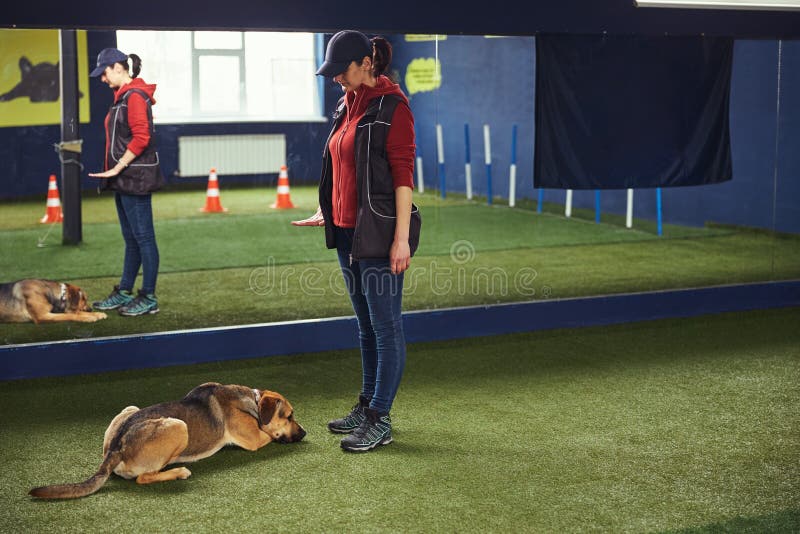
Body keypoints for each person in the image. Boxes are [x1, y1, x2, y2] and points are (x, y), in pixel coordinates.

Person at [294, 30, 421, 452]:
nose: (335, 79)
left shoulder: (394, 107)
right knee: (365, 328)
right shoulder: (345, 105)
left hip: (381, 235)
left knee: (386, 328)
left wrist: (401, 239)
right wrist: (327, 210)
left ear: (366, 63)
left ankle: (380, 418)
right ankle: (366, 405)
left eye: (340, 71)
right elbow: (341, 166)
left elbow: (403, 178)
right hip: (347, 232)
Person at [88, 48, 164, 316]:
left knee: (144, 239)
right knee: (132, 240)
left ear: (118, 68)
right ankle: (124, 292)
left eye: (104, 73)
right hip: (124, 178)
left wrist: (116, 168)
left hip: (135, 178)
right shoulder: (121, 97)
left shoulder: (134, 97)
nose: (102, 79)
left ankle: (149, 297)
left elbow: (141, 137)